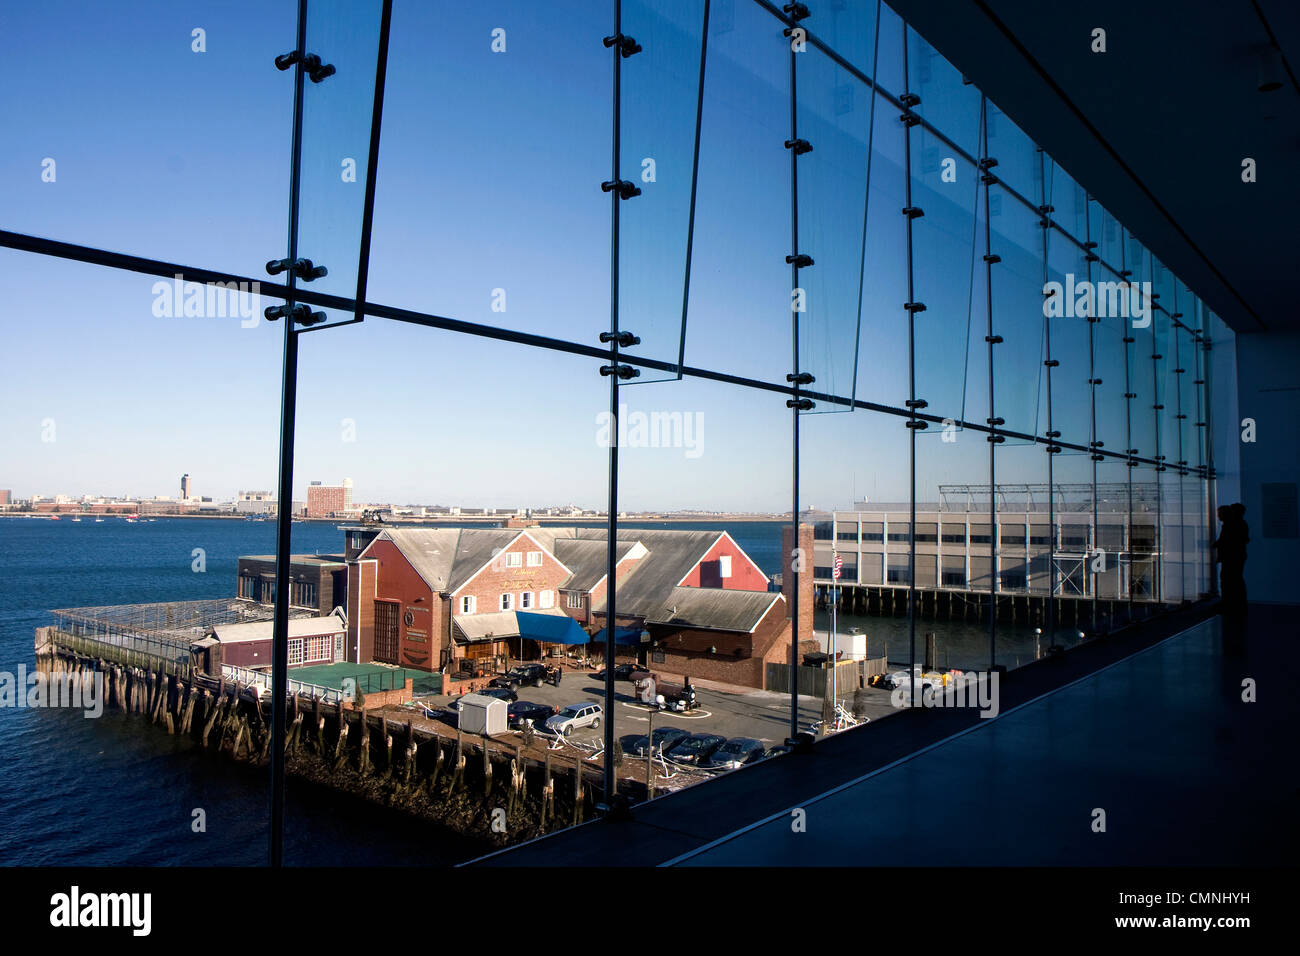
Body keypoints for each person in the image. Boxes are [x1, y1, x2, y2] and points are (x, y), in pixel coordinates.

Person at [1213, 503, 1248, 613]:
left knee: (1228, 580)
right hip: (1237, 556)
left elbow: (1225, 541)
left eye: (1219, 514)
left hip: (1231, 558)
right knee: (1235, 580)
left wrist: (1216, 545)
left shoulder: (1230, 525)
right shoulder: (1241, 524)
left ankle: (1228, 604)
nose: (1218, 516)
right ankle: (1236, 604)